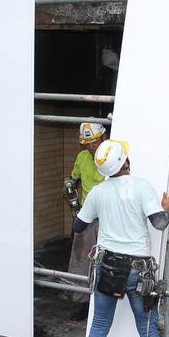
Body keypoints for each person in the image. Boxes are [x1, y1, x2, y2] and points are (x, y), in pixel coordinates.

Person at [72, 137, 169, 337]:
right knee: (147, 329)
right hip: (138, 270)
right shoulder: (141, 187)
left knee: (98, 327)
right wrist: (166, 209)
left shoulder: (98, 192)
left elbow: (78, 226)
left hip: (108, 265)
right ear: (126, 161)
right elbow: (159, 223)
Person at [64, 122, 107, 315]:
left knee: (107, 261)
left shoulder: (110, 157)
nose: (91, 146)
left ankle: (104, 302)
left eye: (94, 142)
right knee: (82, 260)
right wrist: (71, 192)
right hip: (87, 218)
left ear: (102, 138)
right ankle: (82, 302)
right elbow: (71, 181)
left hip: (108, 218)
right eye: (87, 143)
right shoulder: (82, 157)